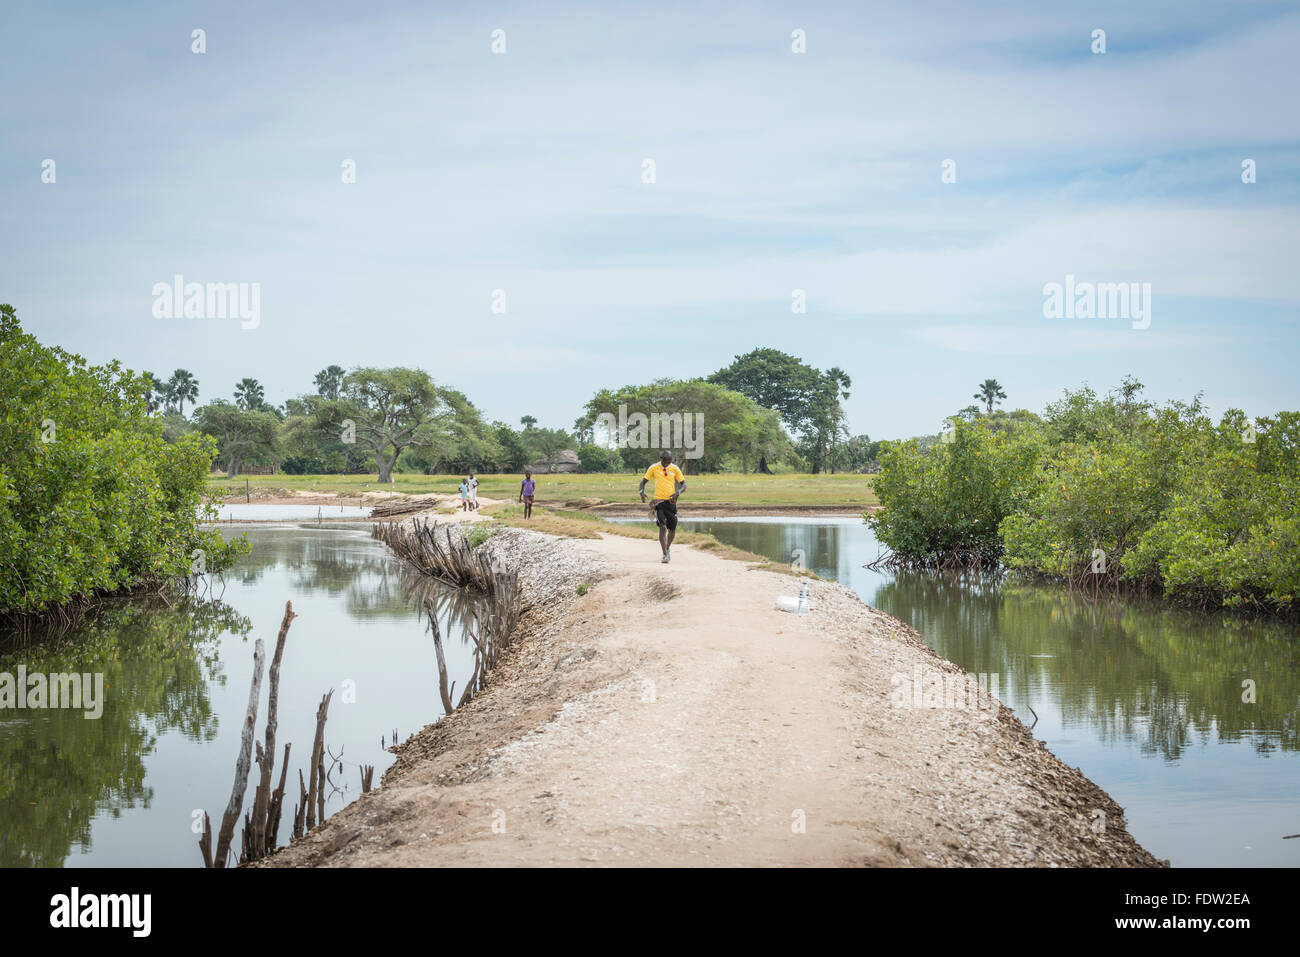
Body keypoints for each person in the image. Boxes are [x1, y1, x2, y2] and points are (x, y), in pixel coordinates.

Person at [639, 451, 686, 563]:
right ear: (661, 458)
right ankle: (665, 554)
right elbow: (643, 482)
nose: (667, 463)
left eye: (669, 460)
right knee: (662, 526)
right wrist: (641, 492)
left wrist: (678, 492)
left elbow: (684, 484)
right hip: (658, 502)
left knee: (672, 529)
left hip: (671, 503)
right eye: (665, 460)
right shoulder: (654, 468)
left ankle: (667, 547)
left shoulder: (675, 468)